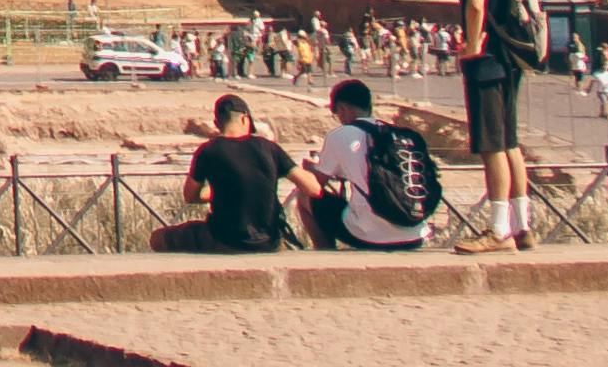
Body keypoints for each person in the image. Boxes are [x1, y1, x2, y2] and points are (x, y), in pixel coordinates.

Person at [446, 0, 541, 246]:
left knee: (492, 145)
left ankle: (498, 231)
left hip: (486, 61)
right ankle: (523, 227)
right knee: (511, 142)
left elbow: (475, 3)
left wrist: (471, 46)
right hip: (510, 58)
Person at [156, 92, 295, 254]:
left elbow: (190, 196)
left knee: (158, 238)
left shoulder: (208, 150)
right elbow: (311, 187)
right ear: (245, 119)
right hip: (270, 241)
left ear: (216, 123)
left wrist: (218, 191)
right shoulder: (270, 148)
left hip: (225, 239)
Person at [311, 77, 437, 250]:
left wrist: (309, 169)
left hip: (371, 237)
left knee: (306, 196)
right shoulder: (395, 134)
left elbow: (314, 185)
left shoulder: (339, 135)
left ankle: (323, 253)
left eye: (337, 113)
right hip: (416, 234)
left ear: (343, 108)